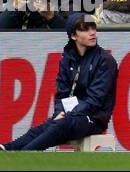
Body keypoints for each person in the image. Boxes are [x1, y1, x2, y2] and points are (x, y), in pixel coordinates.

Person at [0, 13, 117, 151]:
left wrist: (68, 114)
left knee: (61, 124)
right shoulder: (67, 59)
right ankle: (7, 148)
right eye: (85, 29)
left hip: (94, 118)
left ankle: (26, 153)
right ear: (73, 36)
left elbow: (95, 100)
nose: (92, 33)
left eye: (93, 28)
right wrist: (59, 112)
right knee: (44, 126)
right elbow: (62, 94)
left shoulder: (105, 60)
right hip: (72, 115)